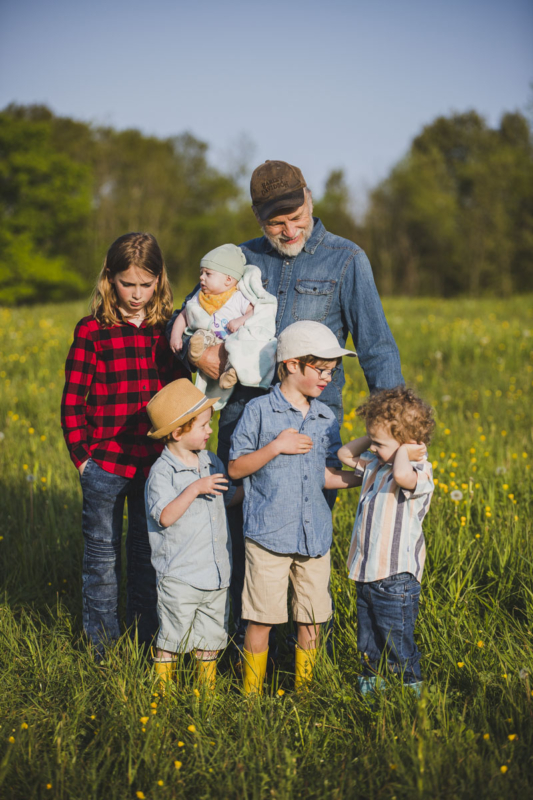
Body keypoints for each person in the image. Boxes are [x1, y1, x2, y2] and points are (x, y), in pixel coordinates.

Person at [168, 160, 404, 657]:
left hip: (310, 431)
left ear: (310, 199)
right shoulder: (241, 259)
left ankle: (298, 663)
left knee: (305, 542)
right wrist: (194, 351)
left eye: (296, 217)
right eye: (277, 222)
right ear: (258, 218)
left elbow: (377, 346)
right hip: (243, 426)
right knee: (236, 538)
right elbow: (190, 314)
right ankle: (235, 652)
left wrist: (395, 427)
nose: (290, 230)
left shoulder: (346, 259)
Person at [61, 232, 185, 657]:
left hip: (155, 466)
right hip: (105, 464)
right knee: (102, 559)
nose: (136, 294)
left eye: (145, 284)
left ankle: (146, 638)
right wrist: (83, 460)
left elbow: (180, 397)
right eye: (127, 284)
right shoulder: (92, 330)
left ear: (159, 280)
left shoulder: (167, 332)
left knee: (147, 556)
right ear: (109, 279)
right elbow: (73, 401)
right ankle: (102, 648)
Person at [228, 321, 361, 693]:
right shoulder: (259, 411)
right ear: (290, 364)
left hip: (313, 537)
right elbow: (235, 468)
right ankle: (250, 698)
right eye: (321, 370)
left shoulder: (325, 417)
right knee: (261, 619)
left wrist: (365, 478)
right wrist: (276, 447)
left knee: (312, 619)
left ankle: (306, 693)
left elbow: (325, 475)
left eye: (332, 371)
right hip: (268, 537)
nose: (328, 378)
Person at [144, 379, 242, 690]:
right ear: (177, 433)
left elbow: (228, 497)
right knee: (172, 638)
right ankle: (163, 694)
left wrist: (257, 489)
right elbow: (164, 515)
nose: (210, 430)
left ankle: (205, 694)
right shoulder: (162, 473)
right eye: (203, 425)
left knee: (210, 639)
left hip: (215, 573)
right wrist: (194, 488)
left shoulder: (210, 461)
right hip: (180, 576)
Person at [338, 386, 435, 696]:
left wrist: (403, 452)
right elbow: (344, 454)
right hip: (366, 573)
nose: (373, 447)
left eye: (380, 443)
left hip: (396, 578)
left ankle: (411, 694)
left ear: (408, 444)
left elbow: (403, 477)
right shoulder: (375, 465)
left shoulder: (419, 471)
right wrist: (375, 435)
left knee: (398, 643)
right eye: (373, 441)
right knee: (368, 642)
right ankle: (372, 689)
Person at [170, 243, 277, 403]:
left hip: (231, 341)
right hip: (211, 340)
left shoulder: (238, 297)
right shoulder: (200, 297)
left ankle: (232, 373)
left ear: (228, 279)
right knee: (200, 335)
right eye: (201, 273)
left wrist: (240, 320)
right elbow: (184, 314)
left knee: (239, 351)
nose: (201, 277)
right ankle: (198, 349)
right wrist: (176, 336)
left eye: (208, 274)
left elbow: (254, 311)